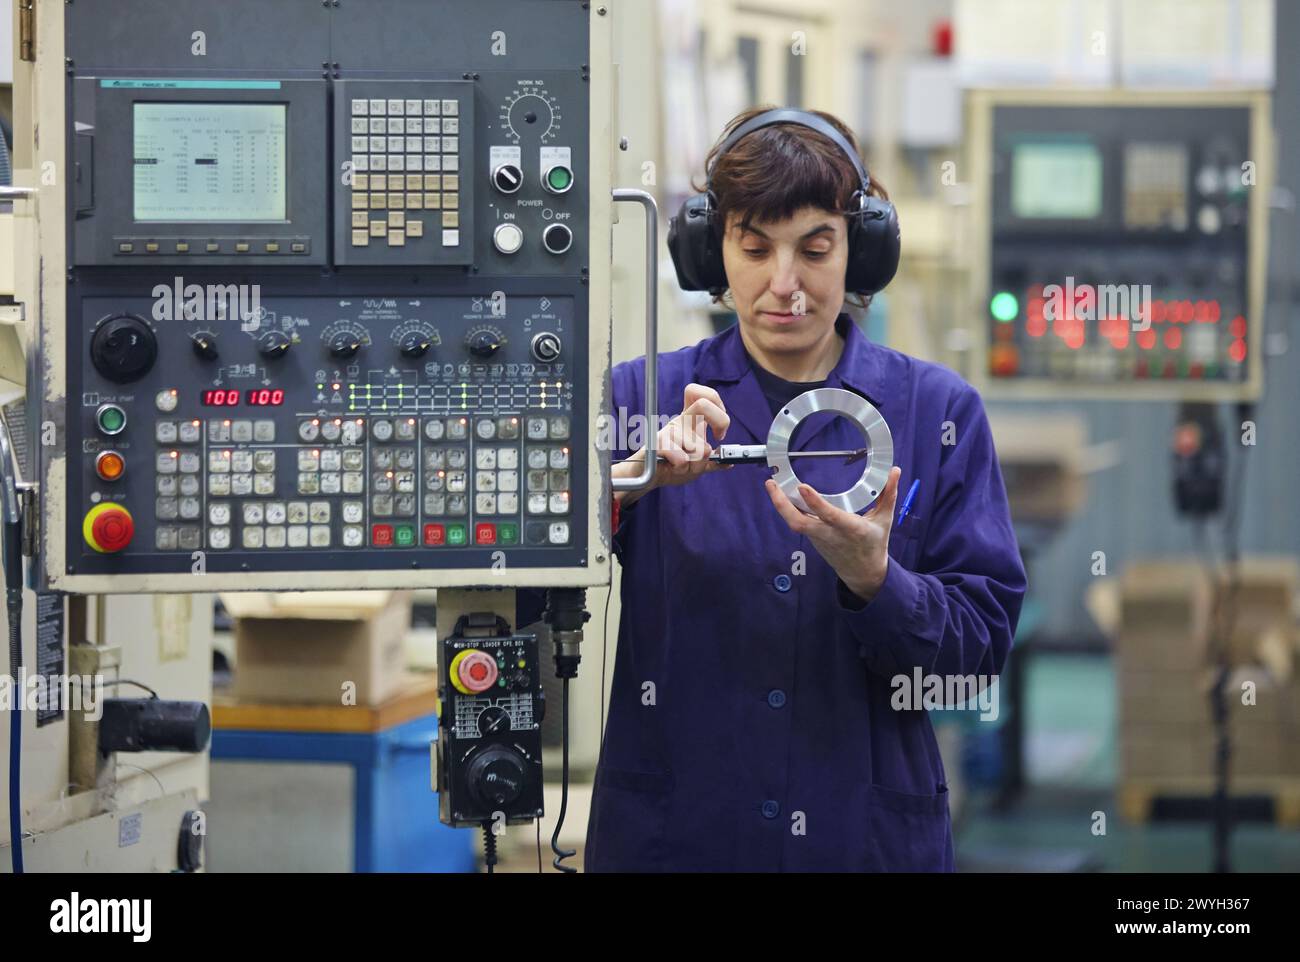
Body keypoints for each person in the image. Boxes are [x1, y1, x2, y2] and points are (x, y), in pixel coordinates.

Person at [585, 106, 1027, 872]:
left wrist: (877, 582)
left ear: (861, 253)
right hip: (680, 835)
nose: (782, 285)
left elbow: (974, 662)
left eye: (815, 249)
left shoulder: (937, 412)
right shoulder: (640, 398)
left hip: (856, 839)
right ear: (710, 250)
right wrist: (629, 483)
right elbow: (520, 560)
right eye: (753, 248)